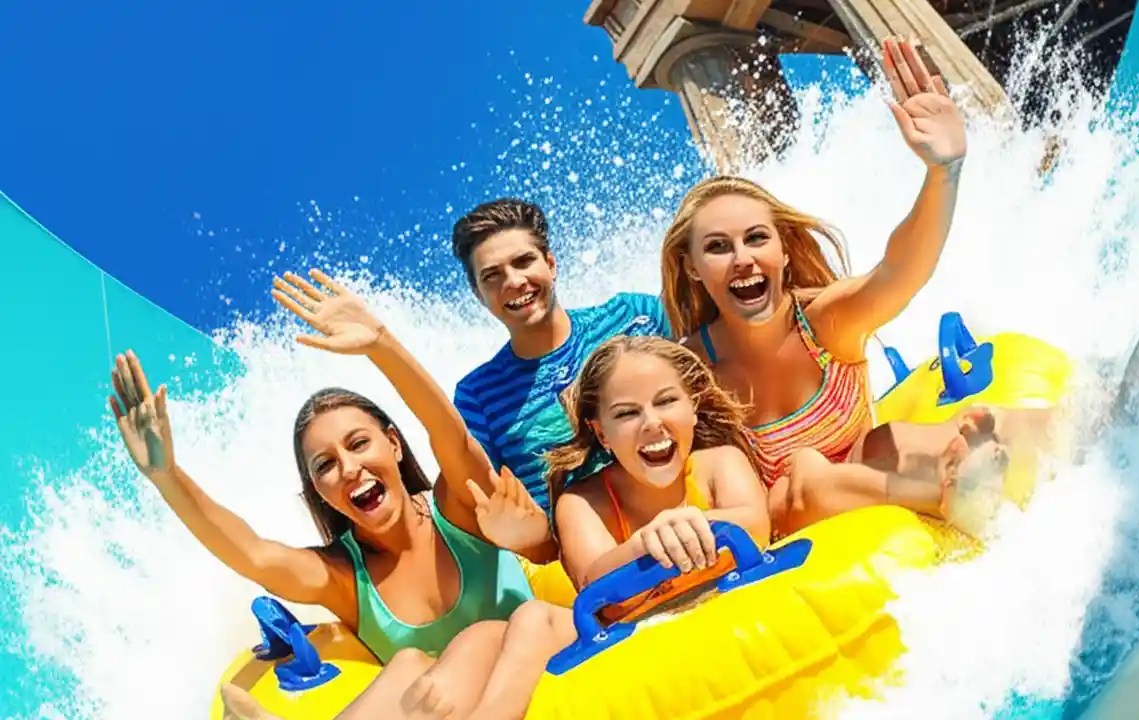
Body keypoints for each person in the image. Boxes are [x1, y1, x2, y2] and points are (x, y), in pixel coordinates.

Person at [110, 269, 543, 719]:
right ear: (317, 492)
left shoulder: (459, 509)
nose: (349, 469)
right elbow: (253, 555)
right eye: (325, 465)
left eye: (358, 444)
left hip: (537, 673)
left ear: (394, 444)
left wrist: (381, 344)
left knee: (480, 638)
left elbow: (451, 436)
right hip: (432, 706)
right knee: (408, 664)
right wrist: (166, 475)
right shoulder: (344, 577)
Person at [658, 37, 989, 537]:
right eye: (719, 247)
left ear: (784, 251)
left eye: (756, 238)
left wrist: (944, 173)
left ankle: (1094, 418)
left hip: (871, 481)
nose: (743, 258)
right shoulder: (688, 371)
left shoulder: (822, 323)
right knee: (804, 474)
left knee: (894, 440)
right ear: (692, 269)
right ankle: (940, 493)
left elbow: (899, 273)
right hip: (793, 526)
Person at [396, 335, 771, 719]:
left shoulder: (719, 464)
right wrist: (647, 541)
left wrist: (692, 522)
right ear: (601, 433)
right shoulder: (582, 502)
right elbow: (593, 582)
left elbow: (756, 525)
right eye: (626, 414)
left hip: (728, 609)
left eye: (666, 401)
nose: (651, 423)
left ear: (693, 407)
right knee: (529, 620)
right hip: (632, 632)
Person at [448, 198, 672, 521]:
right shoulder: (477, 396)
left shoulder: (633, 316)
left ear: (550, 264)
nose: (513, 282)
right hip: (582, 548)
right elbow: (487, 508)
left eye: (523, 261)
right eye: (492, 276)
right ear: (478, 294)